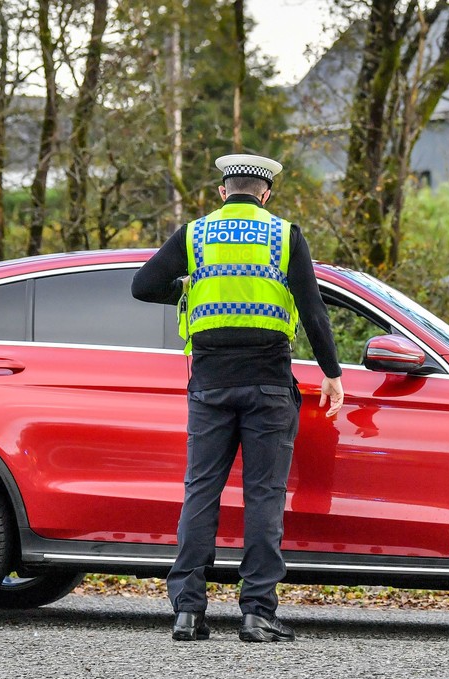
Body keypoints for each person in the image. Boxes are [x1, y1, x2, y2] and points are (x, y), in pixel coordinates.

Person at [132, 154, 344, 643]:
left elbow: (142, 286)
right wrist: (332, 372)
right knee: (263, 496)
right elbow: (313, 310)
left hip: (209, 382)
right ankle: (257, 614)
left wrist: (188, 285)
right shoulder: (283, 235)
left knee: (200, 490)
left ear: (223, 192)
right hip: (269, 382)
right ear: (265, 194)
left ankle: (187, 612)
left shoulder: (196, 234)